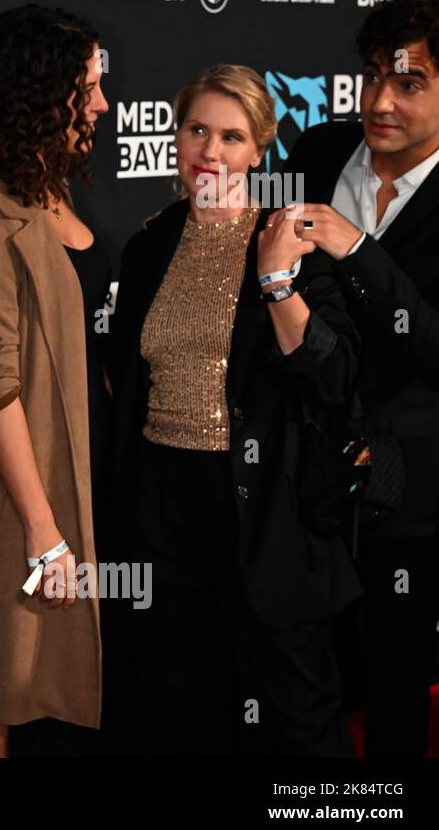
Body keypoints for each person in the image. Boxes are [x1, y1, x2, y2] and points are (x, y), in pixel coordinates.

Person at [110, 64, 362, 756]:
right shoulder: (148, 246)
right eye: (196, 130)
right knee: (179, 706)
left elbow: (333, 380)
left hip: (265, 508)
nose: (210, 153)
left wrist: (278, 280)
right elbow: (124, 382)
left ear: (261, 148)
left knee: (298, 713)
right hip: (163, 506)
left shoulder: (291, 239)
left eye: (230, 136)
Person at [0, 5, 111, 757]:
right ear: (37, 93)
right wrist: (42, 532)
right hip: (31, 500)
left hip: (88, 479)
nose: (101, 104)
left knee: (40, 698)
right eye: (87, 88)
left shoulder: (52, 190)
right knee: (8, 695)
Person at [283, 0, 439, 757]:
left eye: (410, 82)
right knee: (300, 680)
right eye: (373, 76)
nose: (380, 101)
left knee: (392, 691)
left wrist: (356, 251)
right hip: (296, 471)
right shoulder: (316, 151)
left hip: (410, 490)